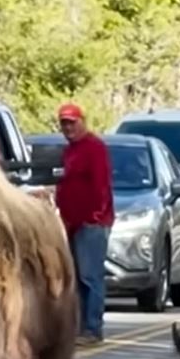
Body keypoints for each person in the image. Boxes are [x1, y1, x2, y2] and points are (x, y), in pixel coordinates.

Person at [54, 101, 114, 345]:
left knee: (91, 277)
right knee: (77, 278)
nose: (68, 127)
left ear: (82, 122)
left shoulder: (94, 147)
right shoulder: (69, 151)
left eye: (72, 122)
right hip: (72, 223)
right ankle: (79, 328)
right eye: (64, 123)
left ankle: (93, 328)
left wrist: (96, 216)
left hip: (90, 223)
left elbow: (102, 184)